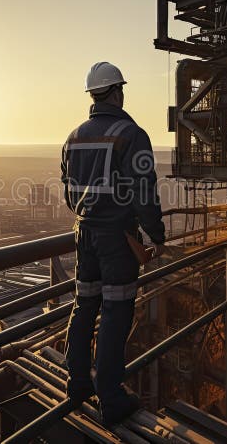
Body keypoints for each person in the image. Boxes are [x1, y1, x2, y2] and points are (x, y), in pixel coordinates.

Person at [61, 61, 167, 426]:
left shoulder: (73, 136)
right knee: (117, 312)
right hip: (116, 238)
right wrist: (156, 234)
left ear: (93, 94)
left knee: (84, 305)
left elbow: (67, 190)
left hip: (83, 234)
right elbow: (143, 189)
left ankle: (76, 384)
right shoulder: (131, 134)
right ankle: (111, 397)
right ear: (118, 92)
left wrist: (88, 215)